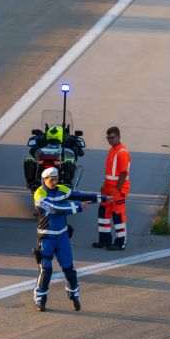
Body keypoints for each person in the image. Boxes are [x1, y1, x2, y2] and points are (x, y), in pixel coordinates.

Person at [33, 167, 106, 312]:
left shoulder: (62, 189)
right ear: (44, 180)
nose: (54, 182)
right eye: (51, 180)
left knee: (69, 269)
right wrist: (78, 207)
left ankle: (74, 296)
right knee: (46, 269)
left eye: (56, 179)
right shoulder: (39, 194)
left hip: (62, 237)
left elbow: (79, 196)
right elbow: (55, 208)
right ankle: (40, 299)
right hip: (46, 237)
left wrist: (103, 198)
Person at [93, 126, 130, 251]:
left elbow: (123, 173)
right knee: (103, 213)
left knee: (118, 215)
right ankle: (104, 240)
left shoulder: (122, 152)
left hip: (118, 190)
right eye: (108, 138)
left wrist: (118, 189)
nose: (110, 140)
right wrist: (104, 186)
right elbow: (110, 173)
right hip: (108, 188)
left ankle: (121, 243)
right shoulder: (112, 150)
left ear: (119, 137)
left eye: (112, 137)